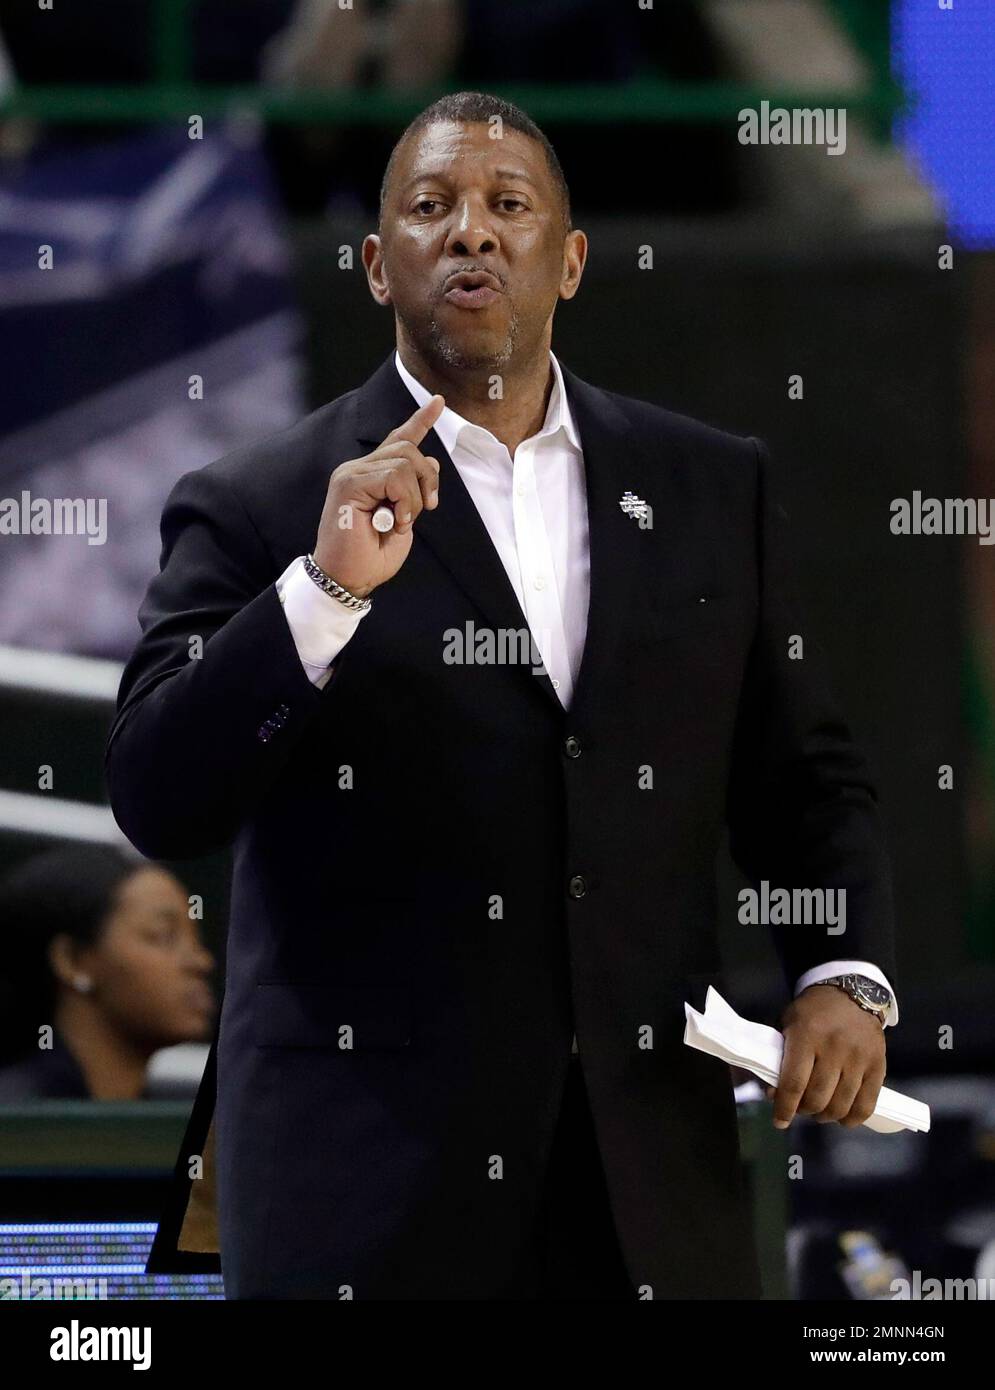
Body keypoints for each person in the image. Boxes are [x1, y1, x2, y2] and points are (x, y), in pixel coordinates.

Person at [105, 90, 898, 1300]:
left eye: (506, 206)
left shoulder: (705, 485)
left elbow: (807, 779)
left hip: (645, 1182)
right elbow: (160, 795)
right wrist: (319, 594)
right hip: (365, 1196)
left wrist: (837, 971)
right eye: (431, 207)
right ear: (377, 266)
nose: (470, 231)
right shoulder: (262, 500)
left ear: (567, 260)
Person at [0, 844, 215, 1102]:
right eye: (163, 936)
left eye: (195, 940)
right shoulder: (18, 1123)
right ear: (73, 961)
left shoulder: (166, 1122)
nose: (202, 962)